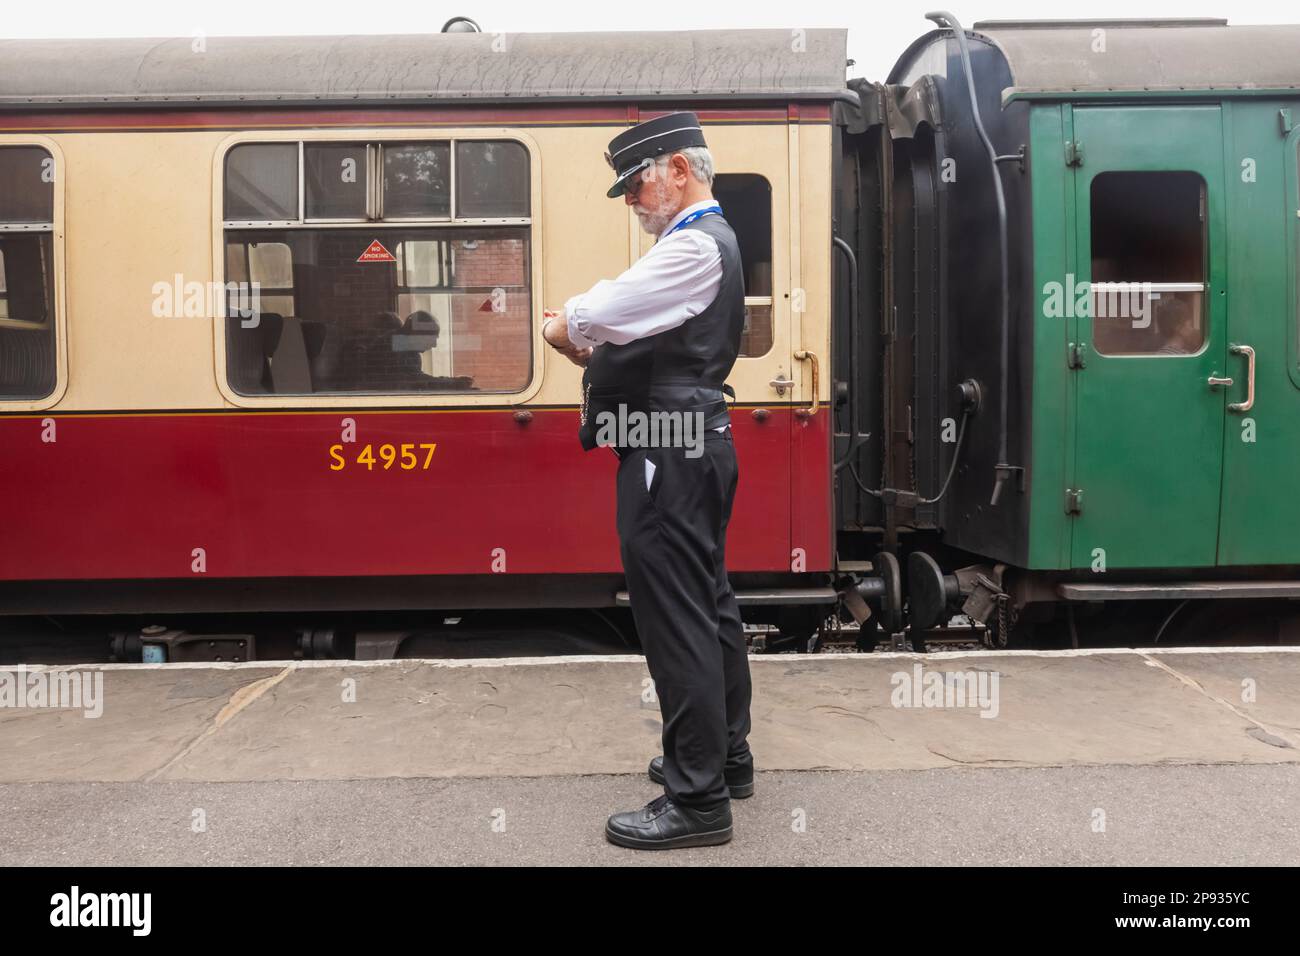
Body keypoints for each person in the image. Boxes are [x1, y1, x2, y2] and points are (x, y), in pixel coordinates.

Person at [541, 111, 754, 850]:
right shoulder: (701, 242)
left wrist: (560, 323)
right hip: (693, 440)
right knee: (710, 603)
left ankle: (697, 802)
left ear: (679, 169)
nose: (632, 198)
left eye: (637, 182)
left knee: (678, 618)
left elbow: (595, 314)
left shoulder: (692, 247)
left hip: (669, 446)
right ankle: (725, 759)